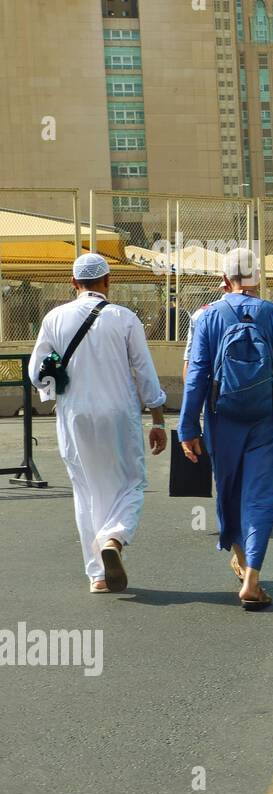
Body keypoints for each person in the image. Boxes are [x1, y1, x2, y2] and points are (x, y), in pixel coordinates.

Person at [28, 254, 168, 593]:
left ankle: (98, 576)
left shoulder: (54, 318)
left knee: (85, 490)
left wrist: (52, 391)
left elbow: (36, 373)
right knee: (131, 482)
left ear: (74, 284)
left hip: (74, 414)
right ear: (108, 281)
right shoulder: (125, 318)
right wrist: (158, 416)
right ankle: (114, 539)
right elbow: (144, 370)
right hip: (119, 413)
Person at [178, 249, 273, 611]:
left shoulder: (209, 317)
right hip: (267, 417)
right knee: (262, 494)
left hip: (222, 418)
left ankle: (238, 554)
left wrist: (188, 427)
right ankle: (252, 578)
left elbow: (197, 377)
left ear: (225, 280)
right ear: (257, 279)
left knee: (230, 488)